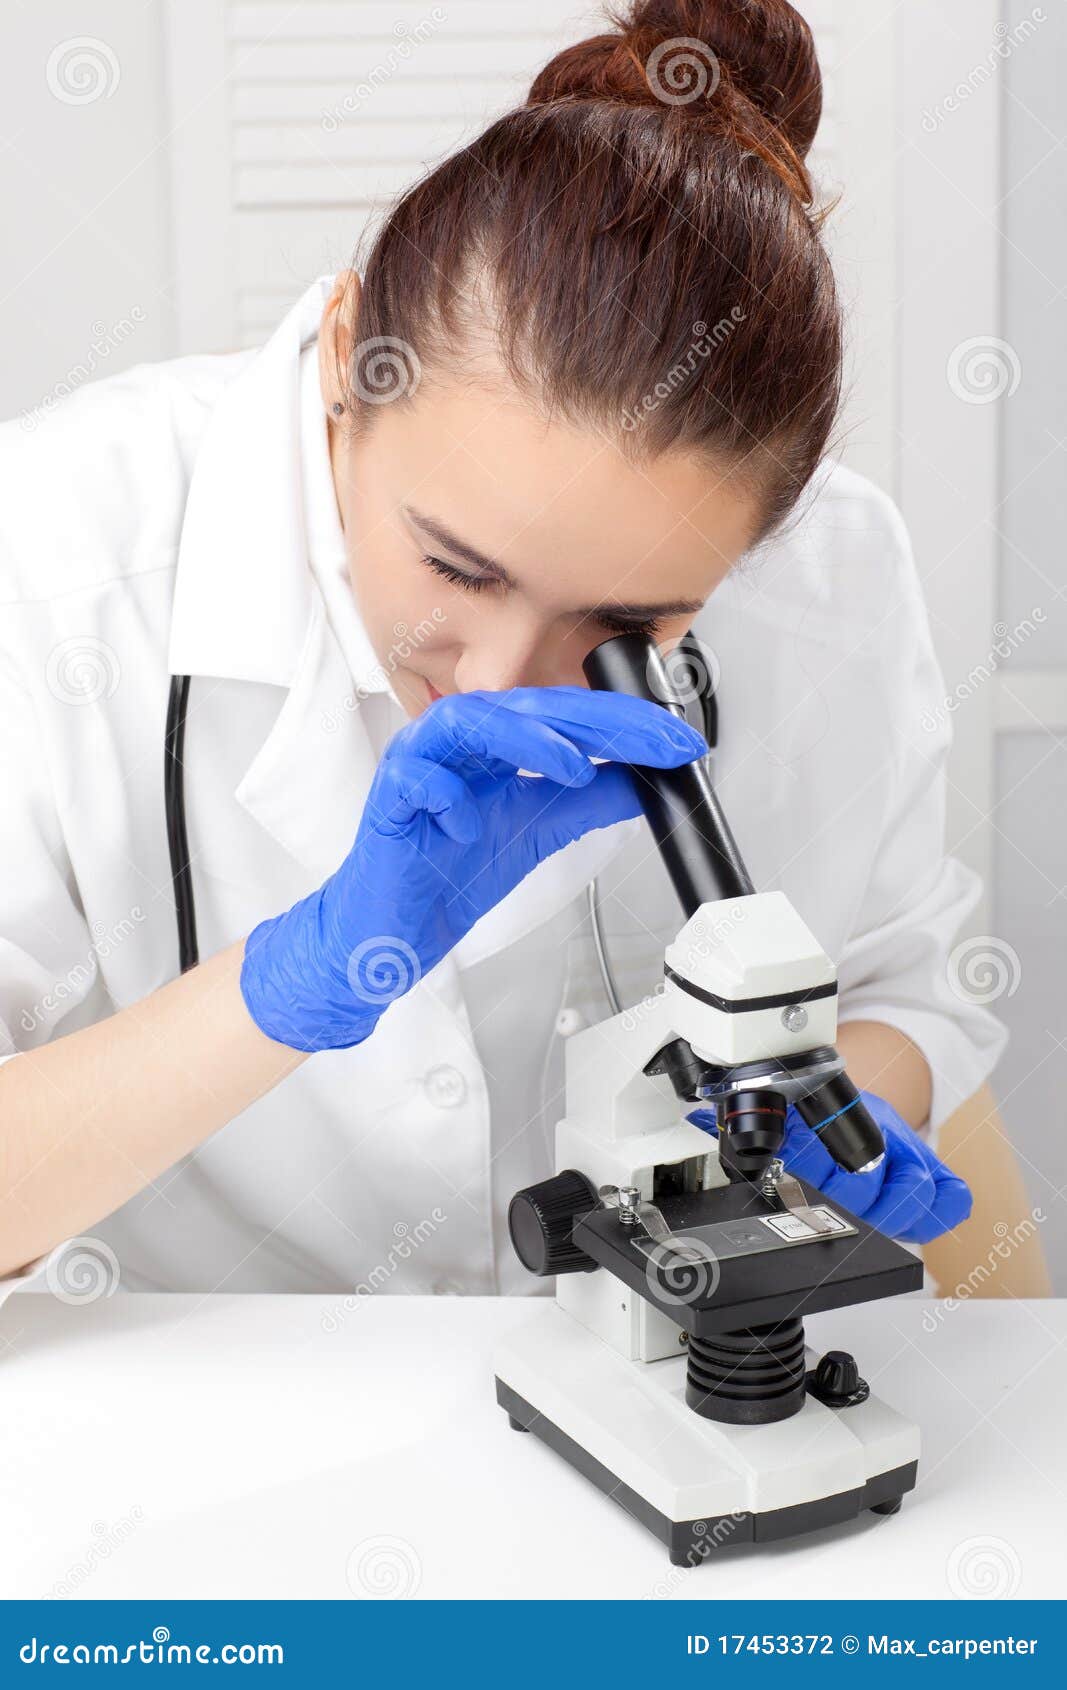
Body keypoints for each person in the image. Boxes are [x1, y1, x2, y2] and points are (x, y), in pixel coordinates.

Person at [0, 0, 1006, 1300]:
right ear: (352, 357)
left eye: (628, 627)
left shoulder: (835, 571)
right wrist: (288, 985)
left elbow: (900, 984)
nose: (494, 679)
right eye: (456, 566)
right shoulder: (59, 553)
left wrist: (814, 1123)